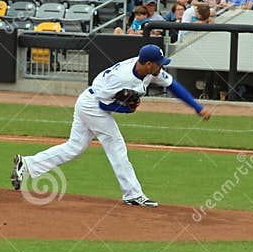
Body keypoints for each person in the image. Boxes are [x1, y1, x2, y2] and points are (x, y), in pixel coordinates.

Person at [12, 44, 209, 207]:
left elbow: (173, 85)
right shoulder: (122, 78)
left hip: (91, 101)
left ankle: (27, 164)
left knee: (75, 147)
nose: (162, 67)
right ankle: (133, 194)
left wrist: (197, 107)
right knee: (116, 146)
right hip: (93, 104)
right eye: (160, 63)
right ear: (149, 64)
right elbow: (104, 105)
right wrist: (127, 109)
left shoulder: (149, 70)